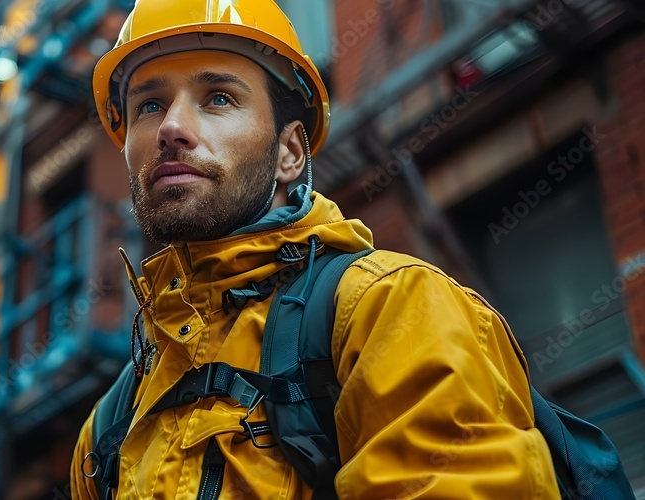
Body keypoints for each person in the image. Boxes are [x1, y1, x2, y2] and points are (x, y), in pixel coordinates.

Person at [69, 0, 559, 497]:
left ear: (290, 153)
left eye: (218, 97)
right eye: (149, 105)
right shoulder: (108, 427)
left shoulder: (390, 310)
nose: (171, 127)